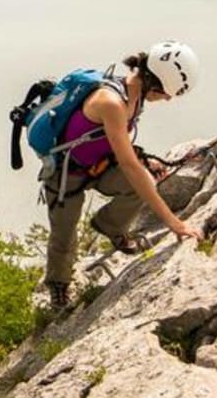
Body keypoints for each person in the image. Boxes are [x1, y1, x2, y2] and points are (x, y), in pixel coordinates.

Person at [41, 41, 205, 308]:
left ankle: (110, 226)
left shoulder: (135, 96)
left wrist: (144, 159)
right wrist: (175, 223)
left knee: (143, 183)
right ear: (154, 80)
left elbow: (117, 143)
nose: (167, 98)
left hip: (100, 165)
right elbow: (129, 165)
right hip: (65, 173)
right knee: (64, 232)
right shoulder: (111, 101)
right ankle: (58, 284)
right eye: (165, 92)